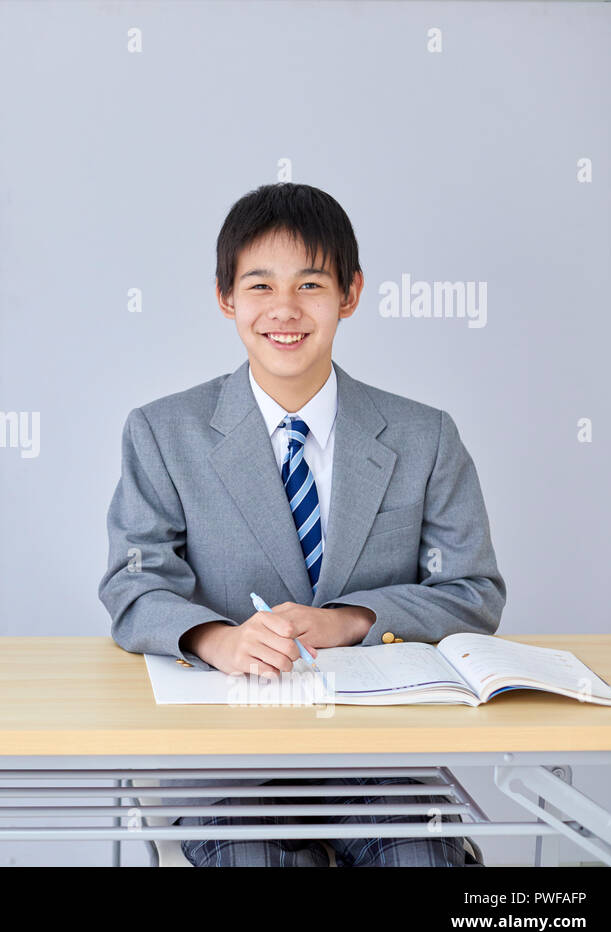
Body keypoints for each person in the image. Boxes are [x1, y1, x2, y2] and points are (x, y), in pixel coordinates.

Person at [97, 182, 506, 866]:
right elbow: (133, 585)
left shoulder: (425, 436)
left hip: (380, 763)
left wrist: (351, 620)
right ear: (226, 298)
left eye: (311, 284)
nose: (284, 310)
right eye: (260, 286)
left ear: (350, 294)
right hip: (228, 761)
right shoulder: (163, 433)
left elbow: (473, 592)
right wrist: (216, 639)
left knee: (418, 861)